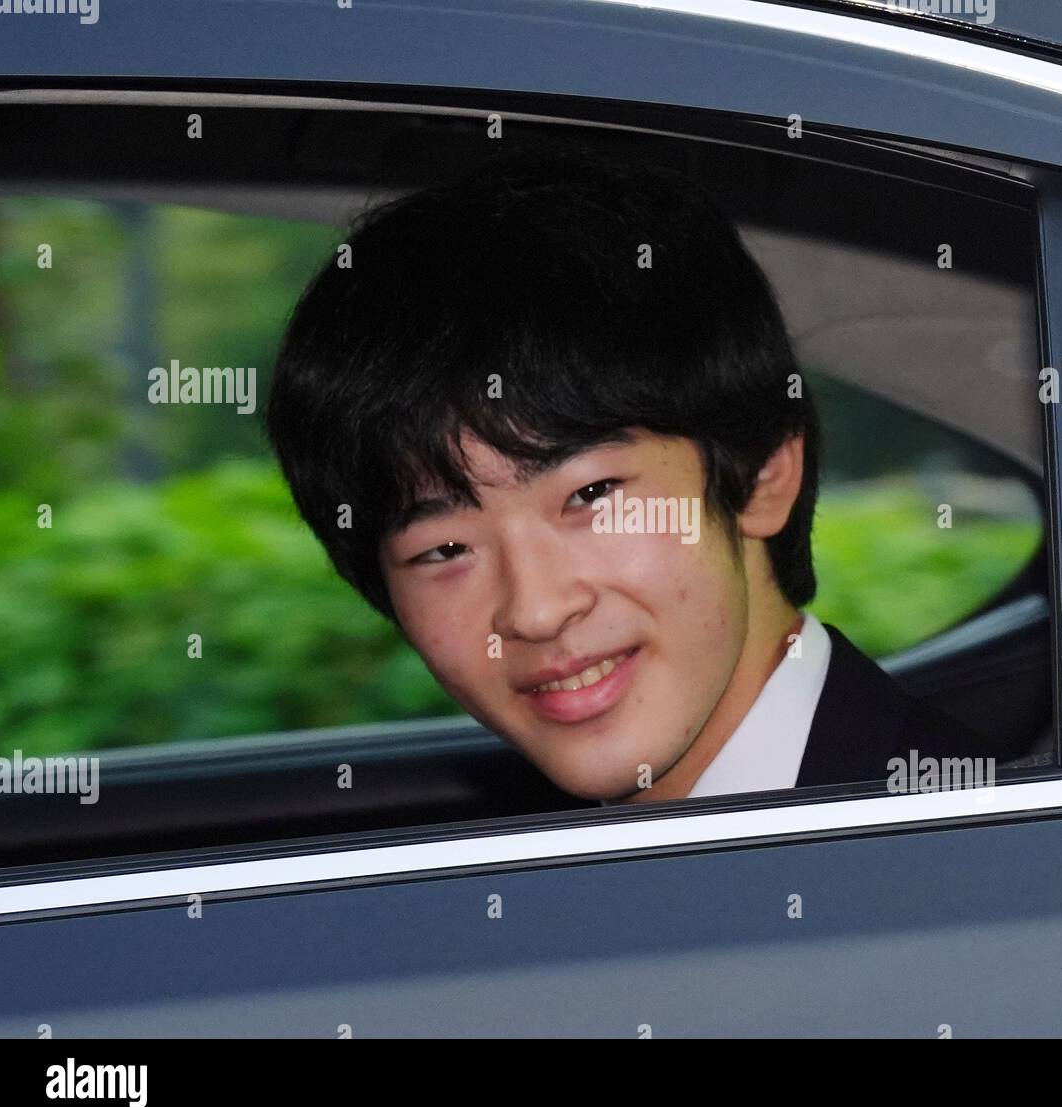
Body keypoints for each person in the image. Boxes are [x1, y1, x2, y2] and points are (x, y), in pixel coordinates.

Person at [266, 146, 986, 805]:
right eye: (444, 550)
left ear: (764, 474)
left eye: (590, 495)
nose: (535, 611)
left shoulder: (971, 870)